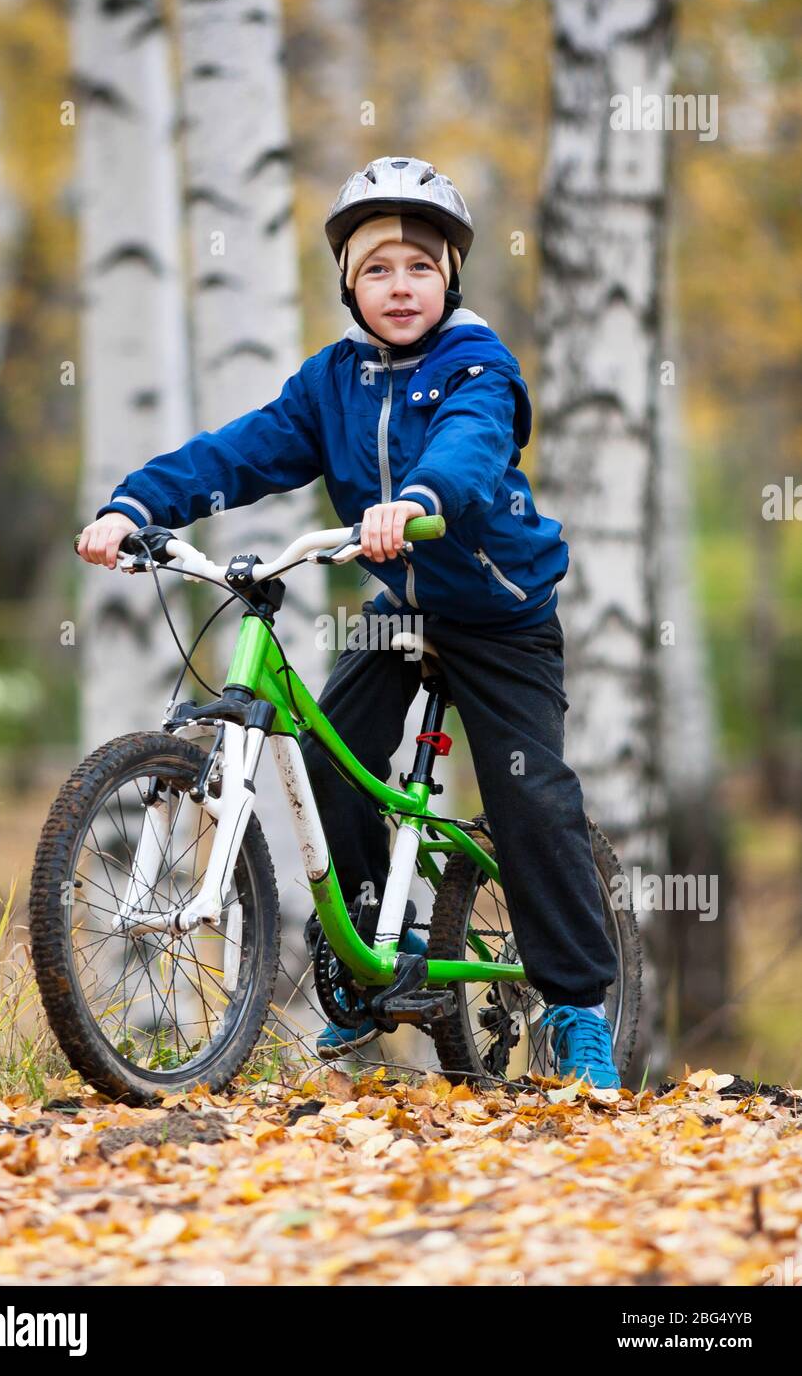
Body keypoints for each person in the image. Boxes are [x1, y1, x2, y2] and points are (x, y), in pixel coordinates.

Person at [77, 155, 621, 1089]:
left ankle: (577, 1005)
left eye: (419, 265)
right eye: (376, 269)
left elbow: (475, 446)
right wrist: (138, 506)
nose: (398, 286)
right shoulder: (330, 383)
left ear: (451, 276)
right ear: (348, 284)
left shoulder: (479, 366)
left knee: (529, 792)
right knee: (328, 760)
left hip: (499, 611)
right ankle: (377, 952)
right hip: (401, 610)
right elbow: (242, 452)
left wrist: (416, 498)